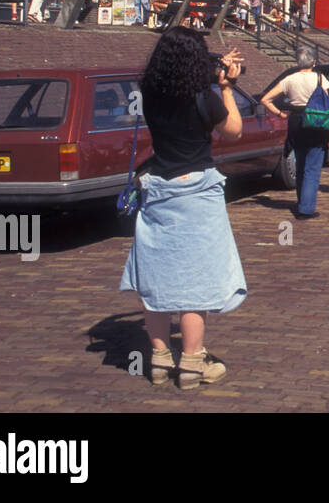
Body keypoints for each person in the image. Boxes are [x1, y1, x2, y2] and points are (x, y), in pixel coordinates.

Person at [119, 29, 247, 389]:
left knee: (158, 280)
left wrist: (214, 72)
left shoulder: (151, 94)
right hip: (197, 191)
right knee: (196, 281)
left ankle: (159, 360)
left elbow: (175, 86)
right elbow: (233, 130)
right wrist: (226, 85)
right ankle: (191, 363)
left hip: (158, 190)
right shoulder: (205, 97)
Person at [260, 46, 329, 218]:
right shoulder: (319, 78)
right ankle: (306, 208)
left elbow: (265, 99)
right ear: (314, 62)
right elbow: (327, 107)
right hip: (316, 120)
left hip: (295, 120)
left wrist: (280, 113)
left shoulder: (289, 79)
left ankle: (302, 200)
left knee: (300, 164)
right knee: (313, 166)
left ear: (297, 62)